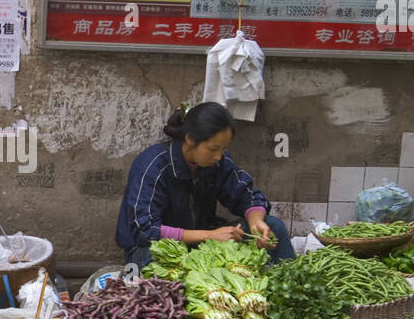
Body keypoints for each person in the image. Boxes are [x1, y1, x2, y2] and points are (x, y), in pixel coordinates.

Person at [116, 102, 295, 271]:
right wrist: (210, 236)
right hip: (152, 248)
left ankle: (291, 289)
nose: (218, 156)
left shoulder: (218, 162)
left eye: (223, 149)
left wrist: (256, 221)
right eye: (213, 148)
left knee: (274, 226)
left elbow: (247, 195)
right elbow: (145, 230)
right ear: (190, 139)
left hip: (202, 242)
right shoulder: (153, 165)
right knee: (159, 266)